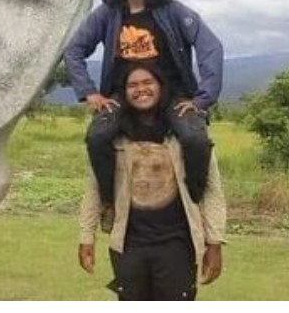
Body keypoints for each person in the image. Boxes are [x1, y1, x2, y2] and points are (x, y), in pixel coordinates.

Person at [63, 0, 223, 214]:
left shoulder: (172, 11)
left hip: (173, 95)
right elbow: (74, 50)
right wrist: (89, 92)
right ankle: (109, 201)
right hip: (123, 93)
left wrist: (202, 98)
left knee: (195, 140)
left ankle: (195, 200)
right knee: (97, 137)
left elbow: (211, 48)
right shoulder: (108, 13)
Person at [78, 64, 226, 301]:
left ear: (161, 87)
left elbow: (212, 189)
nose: (141, 90)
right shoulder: (113, 137)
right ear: (124, 93)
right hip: (128, 245)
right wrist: (86, 237)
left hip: (178, 244)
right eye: (133, 85)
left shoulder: (187, 135)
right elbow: (94, 187)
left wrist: (215, 243)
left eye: (148, 83)